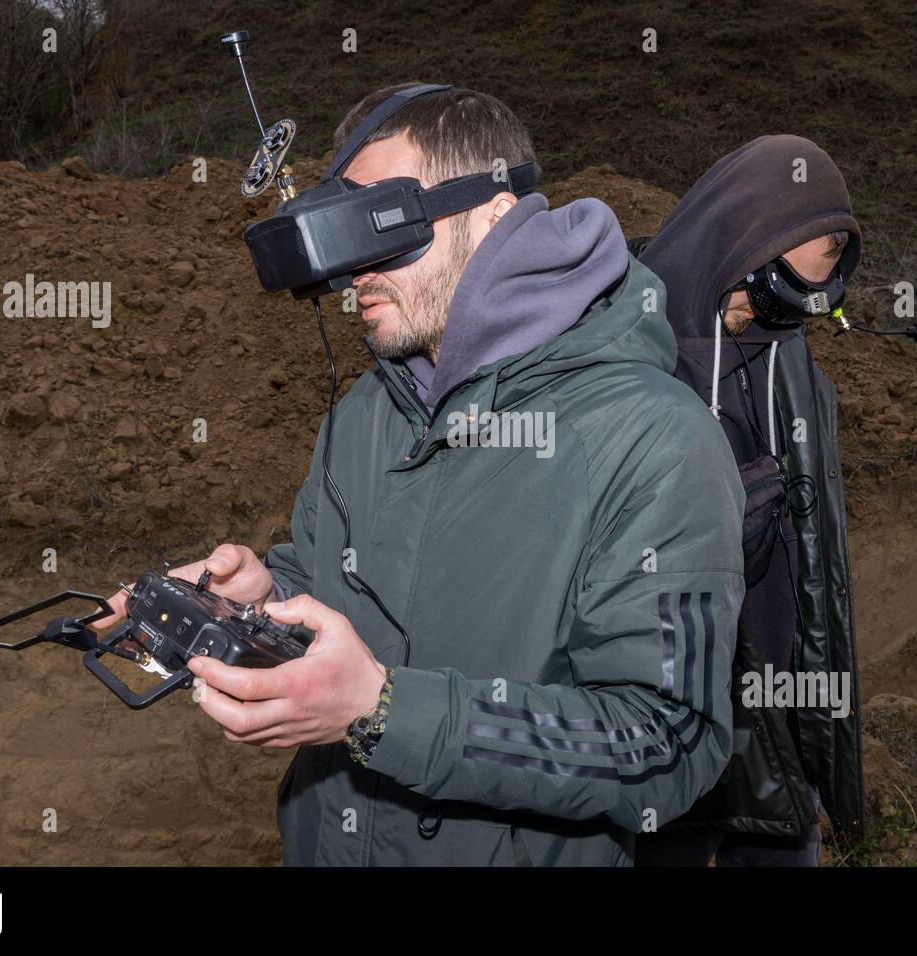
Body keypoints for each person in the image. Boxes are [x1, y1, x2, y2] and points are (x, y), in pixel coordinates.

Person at [97, 84, 747, 866]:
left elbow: (666, 744)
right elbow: (342, 592)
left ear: (496, 214)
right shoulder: (368, 411)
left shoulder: (655, 438)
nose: (355, 273)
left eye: (383, 225)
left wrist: (383, 714)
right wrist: (263, 599)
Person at [630, 134, 866, 866]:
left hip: (776, 726)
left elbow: (818, 559)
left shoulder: (786, 353)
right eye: (768, 295)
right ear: (733, 240)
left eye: (801, 307)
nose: (770, 321)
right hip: (661, 725)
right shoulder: (621, 347)